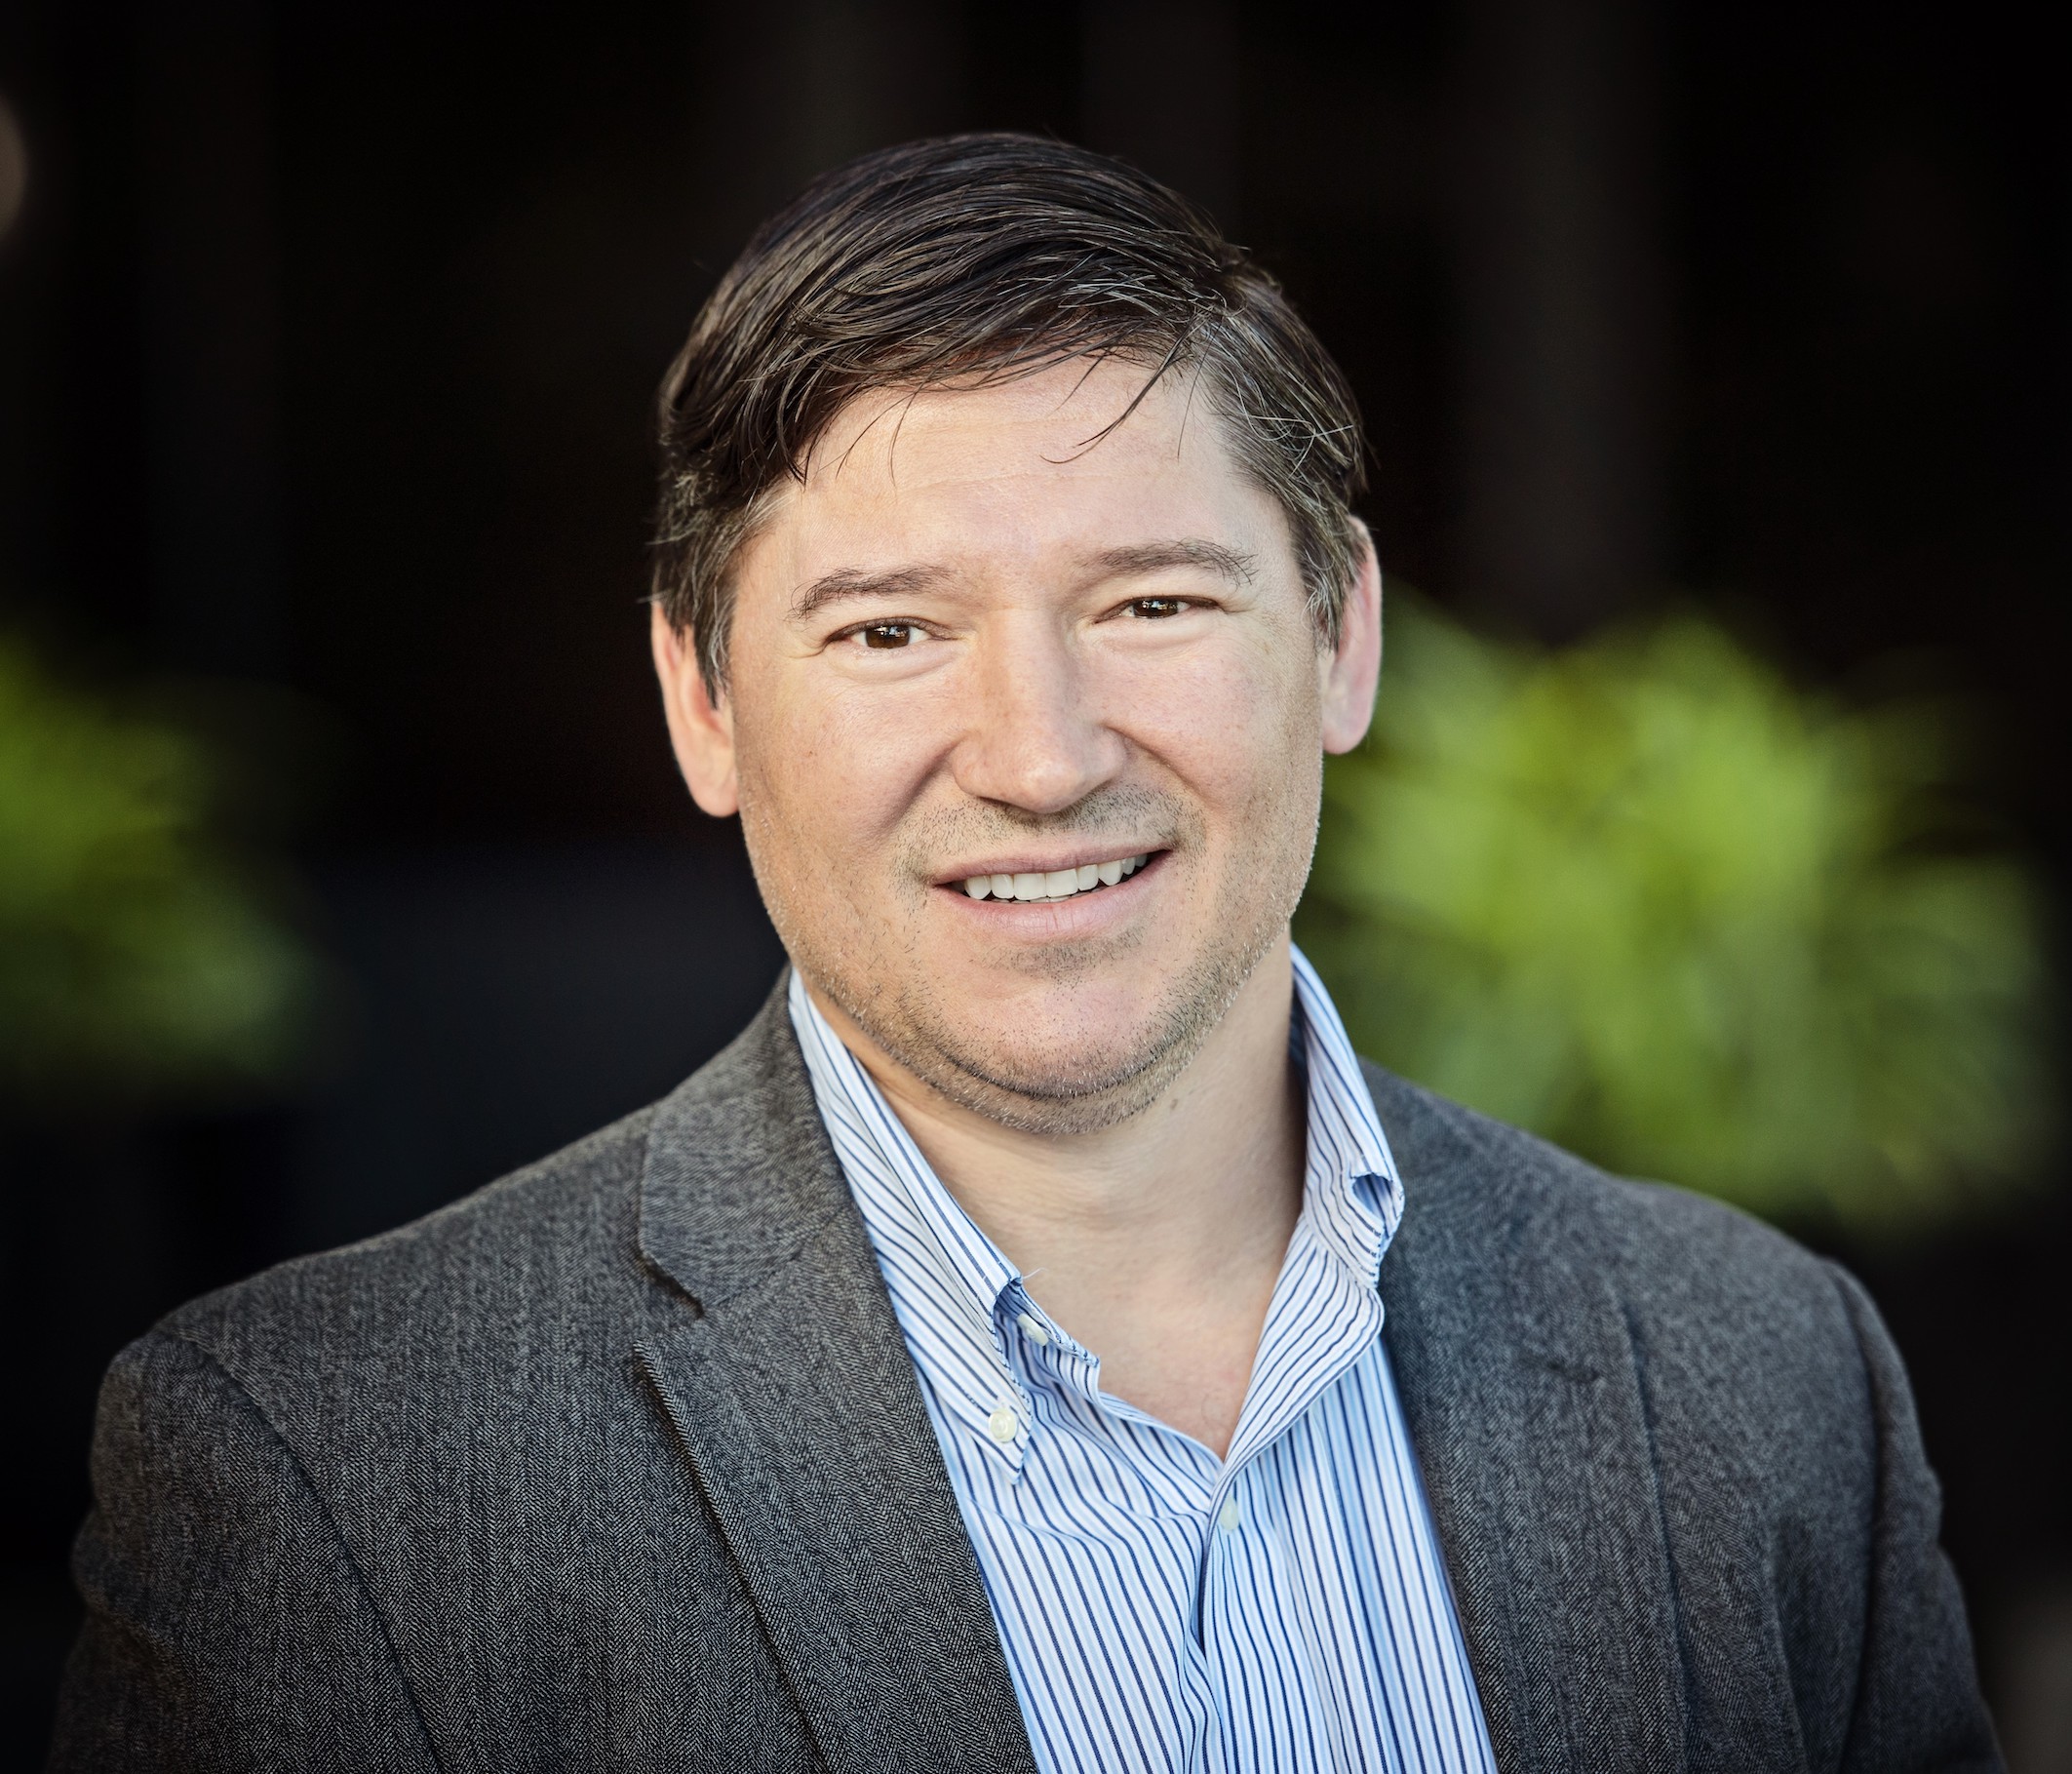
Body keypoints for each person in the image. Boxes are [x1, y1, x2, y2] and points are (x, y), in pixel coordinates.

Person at [48, 134, 1999, 1774]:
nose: (1044, 757)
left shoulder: (1763, 1378)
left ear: (1340, 639)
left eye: (1151, 602)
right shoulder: (330, 1478)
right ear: (702, 700)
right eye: (890, 632)